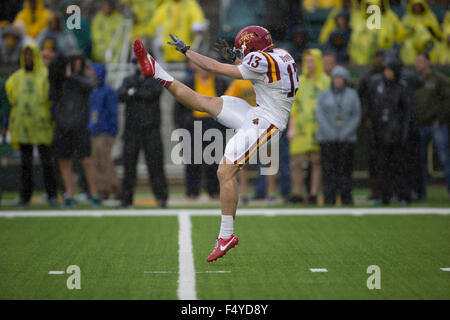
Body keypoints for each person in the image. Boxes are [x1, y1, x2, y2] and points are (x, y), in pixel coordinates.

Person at [133, 25, 298, 262]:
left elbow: (215, 68)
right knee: (205, 102)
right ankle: (155, 69)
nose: (241, 54)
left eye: (243, 50)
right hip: (260, 112)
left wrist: (187, 51)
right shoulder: (282, 54)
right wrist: (234, 56)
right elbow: (257, 68)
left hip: (267, 122)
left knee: (224, 171)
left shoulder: (260, 60)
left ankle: (226, 236)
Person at [4, 43, 58, 207]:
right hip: (23, 126)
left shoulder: (45, 75)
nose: (28, 58)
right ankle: (25, 196)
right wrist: (7, 124)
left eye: (31, 55)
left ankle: (52, 195)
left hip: (42, 125)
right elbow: (11, 103)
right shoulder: (15, 78)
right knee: (25, 164)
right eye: (25, 55)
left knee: (47, 162)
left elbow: (52, 100)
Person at [117, 57, 168, 208]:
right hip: (131, 131)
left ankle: (161, 197)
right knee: (129, 167)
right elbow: (120, 94)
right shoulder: (128, 79)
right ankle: (126, 199)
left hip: (151, 130)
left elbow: (151, 94)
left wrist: (133, 92)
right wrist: (135, 93)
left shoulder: (155, 80)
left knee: (155, 166)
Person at [174, 60, 229, 200]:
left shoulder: (220, 82)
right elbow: (178, 107)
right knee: (193, 160)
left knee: (215, 160)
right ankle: (192, 191)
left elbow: (228, 103)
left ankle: (214, 191)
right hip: (193, 124)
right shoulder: (188, 82)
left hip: (215, 123)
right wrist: (181, 127)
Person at [51, 53, 100, 208]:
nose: (77, 65)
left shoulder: (83, 79)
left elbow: (91, 85)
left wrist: (71, 76)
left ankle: (94, 195)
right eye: (74, 62)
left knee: (87, 161)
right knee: (64, 161)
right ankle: (70, 195)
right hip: (63, 125)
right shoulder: (60, 81)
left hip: (80, 125)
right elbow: (51, 95)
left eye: (79, 62)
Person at [366, 52, 413, 205]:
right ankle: (385, 196)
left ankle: (404, 196)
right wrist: (375, 130)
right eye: (385, 69)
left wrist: (404, 134)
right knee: (383, 168)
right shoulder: (378, 86)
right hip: (381, 134)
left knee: (400, 167)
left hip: (397, 134)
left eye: (389, 69)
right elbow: (374, 109)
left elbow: (407, 114)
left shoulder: (402, 88)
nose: (386, 72)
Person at [288, 49, 330, 205]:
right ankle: (297, 193)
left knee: (316, 162)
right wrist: (291, 128)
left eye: (312, 61)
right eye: (307, 61)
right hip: (301, 127)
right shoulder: (299, 81)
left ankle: (313, 193)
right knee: (296, 162)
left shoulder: (326, 81)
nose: (309, 65)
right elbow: (294, 107)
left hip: (319, 127)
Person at [316, 66, 361, 205]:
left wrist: (344, 134)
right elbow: (320, 114)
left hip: (346, 139)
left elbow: (356, 115)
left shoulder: (352, 95)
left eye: (340, 78)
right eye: (335, 78)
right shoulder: (324, 94)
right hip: (327, 138)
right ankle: (329, 198)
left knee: (345, 169)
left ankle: (346, 197)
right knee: (328, 169)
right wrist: (331, 133)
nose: (337, 81)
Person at [414, 52, 450, 200]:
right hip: (419, 124)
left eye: (421, 61)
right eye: (416, 61)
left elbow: (448, 100)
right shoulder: (414, 80)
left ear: (428, 62)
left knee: (444, 158)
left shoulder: (439, 79)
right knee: (418, 160)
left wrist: (440, 118)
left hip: (436, 124)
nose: (418, 64)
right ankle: (421, 192)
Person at [88, 63, 121, 201]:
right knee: (97, 163)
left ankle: (116, 189)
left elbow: (113, 113)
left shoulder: (108, 91)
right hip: (95, 131)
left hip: (105, 132)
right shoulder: (93, 91)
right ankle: (103, 190)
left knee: (106, 162)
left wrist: (112, 131)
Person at [140, 0, 206, 62]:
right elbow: (153, 25)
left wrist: (197, 26)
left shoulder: (190, 4)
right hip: (165, 54)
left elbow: (198, 21)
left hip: (186, 54)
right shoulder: (165, 6)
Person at [357, 49, 384, 200]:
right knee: (373, 159)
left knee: (388, 158)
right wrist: (364, 117)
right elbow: (359, 96)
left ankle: (388, 189)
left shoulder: (390, 75)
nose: (379, 61)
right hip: (372, 123)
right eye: (377, 58)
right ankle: (375, 190)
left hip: (389, 124)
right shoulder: (368, 77)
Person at [400, 0, 443, 65]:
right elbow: (402, 32)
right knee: (407, 46)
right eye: (415, 6)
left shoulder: (430, 15)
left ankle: (432, 66)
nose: (417, 8)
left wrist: (430, 28)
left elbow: (438, 32)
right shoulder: (407, 17)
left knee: (437, 46)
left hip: (429, 41)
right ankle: (410, 67)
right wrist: (411, 30)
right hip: (413, 40)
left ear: (422, 6)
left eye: (419, 6)